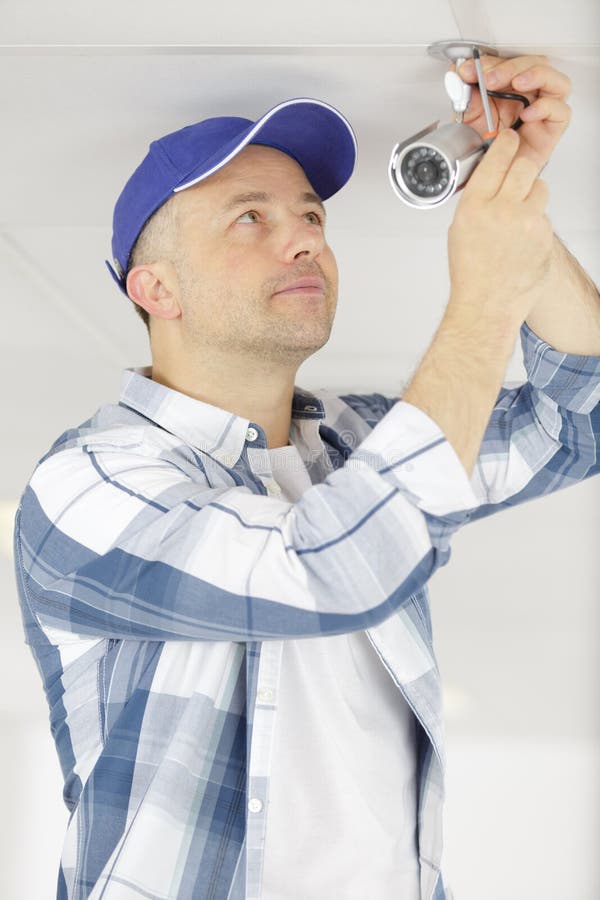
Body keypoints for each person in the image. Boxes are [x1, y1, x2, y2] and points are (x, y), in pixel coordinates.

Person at [13, 54, 600, 900]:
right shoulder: (88, 485)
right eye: (249, 218)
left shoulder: (359, 446)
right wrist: (482, 301)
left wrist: (513, 211)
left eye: (311, 214)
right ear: (156, 290)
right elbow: (332, 569)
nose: (305, 237)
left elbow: (578, 421)